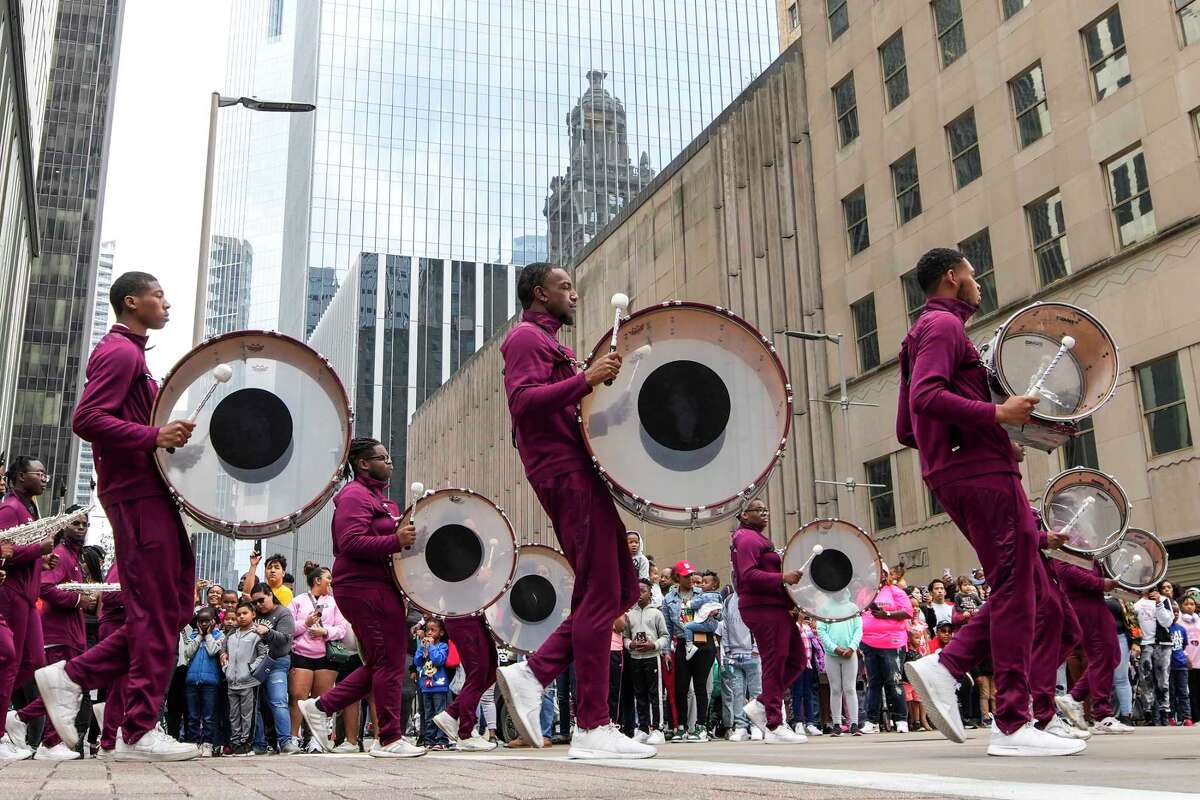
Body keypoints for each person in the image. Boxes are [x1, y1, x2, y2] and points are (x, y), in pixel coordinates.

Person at [897, 248, 1082, 757]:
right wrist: (997, 416)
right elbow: (924, 400)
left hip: (975, 466)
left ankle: (982, 688)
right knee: (1017, 588)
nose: (979, 283)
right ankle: (1007, 719)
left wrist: (990, 435)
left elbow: (906, 429)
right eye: (973, 275)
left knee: (1032, 592)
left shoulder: (926, 331)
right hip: (979, 472)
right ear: (953, 278)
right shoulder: (943, 327)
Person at [35, 273, 199, 761]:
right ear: (132, 302)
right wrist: (154, 437)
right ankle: (136, 732)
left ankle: (72, 678)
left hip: (150, 491)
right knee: (154, 611)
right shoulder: (120, 351)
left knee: (173, 610)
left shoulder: (135, 356)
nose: (166, 303)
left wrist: (165, 439)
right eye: (158, 295)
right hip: (135, 495)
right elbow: (86, 419)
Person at [492, 263, 651, 759]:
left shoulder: (550, 343)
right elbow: (523, 403)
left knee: (620, 586)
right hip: (563, 471)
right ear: (540, 293)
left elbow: (572, 413)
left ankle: (535, 673)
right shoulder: (523, 338)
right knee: (603, 589)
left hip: (576, 466)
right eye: (565, 287)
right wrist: (585, 379)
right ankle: (591, 725)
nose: (574, 295)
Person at [297, 438, 424, 758]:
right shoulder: (354, 496)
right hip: (362, 586)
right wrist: (395, 540)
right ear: (363, 463)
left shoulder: (380, 500)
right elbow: (350, 542)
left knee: (387, 662)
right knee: (388, 662)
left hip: (381, 585)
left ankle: (322, 707)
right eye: (382, 458)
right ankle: (389, 738)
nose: (390, 462)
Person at [13, 507, 95, 760]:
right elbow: (45, 586)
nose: (80, 528)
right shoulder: (60, 554)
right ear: (64, 527)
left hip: (71, 634)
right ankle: (48, 741)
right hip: (58, 633)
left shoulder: (74, 556)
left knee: (67, 689)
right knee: (59, 689)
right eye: (75, 523)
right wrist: (79, 600)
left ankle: (27, 725)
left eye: (84, 524)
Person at [729, 498, 807, 744]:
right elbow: (748, 575)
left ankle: (762, 703)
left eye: (766, 509)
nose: (765, 513)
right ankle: (774, 724)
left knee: (797, 660)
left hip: (775, 606)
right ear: (744, 515)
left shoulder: (757, 539)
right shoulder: (747, 539)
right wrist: (783, 577)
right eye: (758, 510)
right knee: (775, 662)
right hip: (761, 607)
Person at [0, 456, 55, 757]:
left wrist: (41, 558)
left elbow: (19, 551)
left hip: (28, 597)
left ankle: (8, 715)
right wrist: (38, 549)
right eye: (40, 473)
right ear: (21, 476)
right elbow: (3, 550)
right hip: (11, 593)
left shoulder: (28, 509)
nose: (45, 478)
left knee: (33, 662)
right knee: (9, 661)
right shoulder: (10, 508)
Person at [1051, 561, 1132, 735]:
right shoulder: (1065, 541)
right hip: (1082, 604)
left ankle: (1074, 698)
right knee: (1103, 655)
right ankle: (1102, 715)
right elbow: (1066, 570)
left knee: (1111, 656)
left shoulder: (1084, 546)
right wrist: (1102, 583)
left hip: (1094, 602)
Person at [289, 564, 346, 752]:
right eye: (328, 577)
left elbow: (342, 629)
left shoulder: (335, 602)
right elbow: (290, 629)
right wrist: (306, 623)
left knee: (320, 699)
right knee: (298, 697)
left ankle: (316, 739)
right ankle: (294, 737)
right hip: (301, 653)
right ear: (317, 580)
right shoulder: (298, 600)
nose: (331, 581)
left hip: (327, 655)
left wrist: (325, 631)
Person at [663, 560, 718, 741]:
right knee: (681, 687)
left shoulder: (703, 594)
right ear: (677, 577)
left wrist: (714, 614)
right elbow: (667, 628)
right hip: (681, 643)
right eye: (686, 576)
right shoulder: (669, 599)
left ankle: (701, 726)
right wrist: (666, 652)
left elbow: (719, 617)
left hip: (703, 642)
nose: (690, 578)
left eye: (691, 574)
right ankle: (681, 727)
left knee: (701, 685)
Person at [438, 614, 500, 751]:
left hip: (475, 618)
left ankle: (452, 714)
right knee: (477, 674)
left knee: (490, 672)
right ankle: (465, 734)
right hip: (464, 617)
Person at [248, 583, 297, 754]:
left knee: (278, 702)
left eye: (261, 600)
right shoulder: (253, 613)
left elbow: (286, 640)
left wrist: (267, 632)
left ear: (270, 594)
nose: (258, 605)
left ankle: (286, 742)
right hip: (255, 664)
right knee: (255, 705)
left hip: (277, 662)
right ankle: (259, 744)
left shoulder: (283, 613)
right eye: (255, 602)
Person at [623, 579, 668, 743]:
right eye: (636, 591)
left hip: (652, 658)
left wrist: (654, 644)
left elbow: (665, 636)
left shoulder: (656, 613)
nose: (639, 594)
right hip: (636, 658)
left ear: (650, 593)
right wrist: (630, 645)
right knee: (639, 694)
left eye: (643, 591)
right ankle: (643, 728)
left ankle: (658, 728)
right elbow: (625, 636)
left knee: (655, 694)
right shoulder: (630, 615)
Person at [221, 600, 266, 756]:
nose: (241, 617)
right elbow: (224, 652)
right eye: (238, 614)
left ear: (253, 615)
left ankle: (246, 743)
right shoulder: (231, 635)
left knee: (248, 714)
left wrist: (250, 669)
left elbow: (263, 655)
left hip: (248, 682)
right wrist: (225, 667)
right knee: (233, 714)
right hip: (231, 681)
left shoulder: (256, 635)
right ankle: (235, 742)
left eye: (245, 613)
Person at [717, 588, 760, 742]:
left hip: (752, 652)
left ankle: (756, 726)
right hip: (734, 654)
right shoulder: (728, 601)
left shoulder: (754, 597)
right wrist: (728, 648)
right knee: (737, 693)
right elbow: (726, 625)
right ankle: (741, 726)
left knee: (756, 692)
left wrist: (757, 648)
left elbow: (759, 623)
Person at [182, 607, 224, 756]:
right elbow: (187, 653)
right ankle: (194, 742)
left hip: (211, 681)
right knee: (193, 715)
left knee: (209, 715)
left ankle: (208, 743)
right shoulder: (194, 636)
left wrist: (208, 636)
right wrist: (199, 636)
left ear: (214, 622)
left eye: (207, 621)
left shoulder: (219, 636)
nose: (204, 624)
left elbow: (213, 651)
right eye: (201, 621)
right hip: (192, 680)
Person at [1133, 585, 1174, 725]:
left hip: (1163, 644)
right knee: (1146, 681)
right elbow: (1133, 625)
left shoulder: (1164, 600)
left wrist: (1158, 603)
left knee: (1163, 681)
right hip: (1145, 645)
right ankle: (1149, 714)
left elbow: (1167, 622)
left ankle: (1165, 714)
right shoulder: (1136, 603)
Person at [817, 610, 862, 736]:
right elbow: (821, 630)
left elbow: (858, 629)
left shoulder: (852, 608)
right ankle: (837, 724)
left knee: (850, 688)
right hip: (832, 655)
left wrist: (852, 647)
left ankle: (854, 723)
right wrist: (833, 648)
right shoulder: (825, 609)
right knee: (835, 689)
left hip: (850, 653)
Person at [414, 619, 451, 750]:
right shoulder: (424, 645)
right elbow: (417, 662)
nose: (429, 633)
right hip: (426, 685)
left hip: (439, 685)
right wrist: (421, 647)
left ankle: (442, 740)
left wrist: (431, 646)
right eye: (427, 630)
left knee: (439, 713)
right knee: (428, 714)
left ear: (441, 633)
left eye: (433, 630)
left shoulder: (443, 646)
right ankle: (429, 739)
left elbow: (439, 660)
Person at [681, 571, 723, 661]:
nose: (701, 585)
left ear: (714, 586)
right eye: (694, 582)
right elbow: (721, 616)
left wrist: (687, 603)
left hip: (706, 630)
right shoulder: (718, 596)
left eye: (704, 583)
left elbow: (693, 605)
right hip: (713, 625)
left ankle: (689, 647)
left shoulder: (704, 596)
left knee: (687, 627)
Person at [1168, 604, 1192, 726]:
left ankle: (1187, 717)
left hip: (1181, 665)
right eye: (1173, 611)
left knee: (1183, 692)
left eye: (1178, 612)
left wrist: (1186, 659)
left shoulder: (1181, 629)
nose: (1176, 614)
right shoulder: (1165, 628)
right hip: (1169, 666)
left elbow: (1183, 646)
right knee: (1170, 692)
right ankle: (1171, 717)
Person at [1178, 595, 1200, 724]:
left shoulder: (1199, 620)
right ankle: (1194, 717)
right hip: (1188, 660)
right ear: (1182, 606)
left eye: (1192, 604)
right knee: (1190, 691)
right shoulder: (1179, 622)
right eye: (1186, 604)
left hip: (1199, 659)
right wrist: (1186, 657)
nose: (1190, 606)